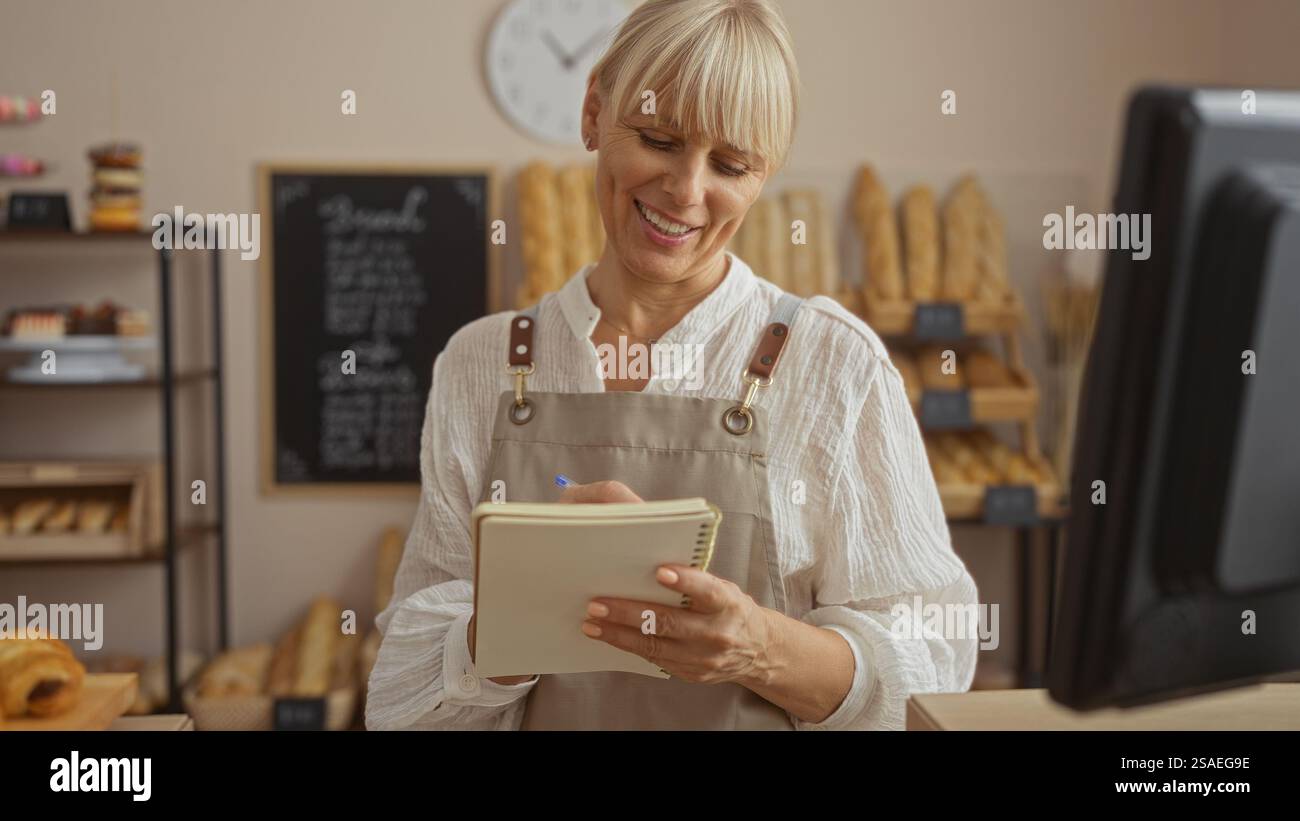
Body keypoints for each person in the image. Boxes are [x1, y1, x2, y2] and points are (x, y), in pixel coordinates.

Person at [366, 0, 978, 731]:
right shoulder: (482, 365)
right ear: (594, 109)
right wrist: (512, 627)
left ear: (764, 175)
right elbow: (401, 699)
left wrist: (757, 646)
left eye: (731, 164)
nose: (686, 192)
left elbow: (934, 664)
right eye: (660, 139)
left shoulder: (834, 367)